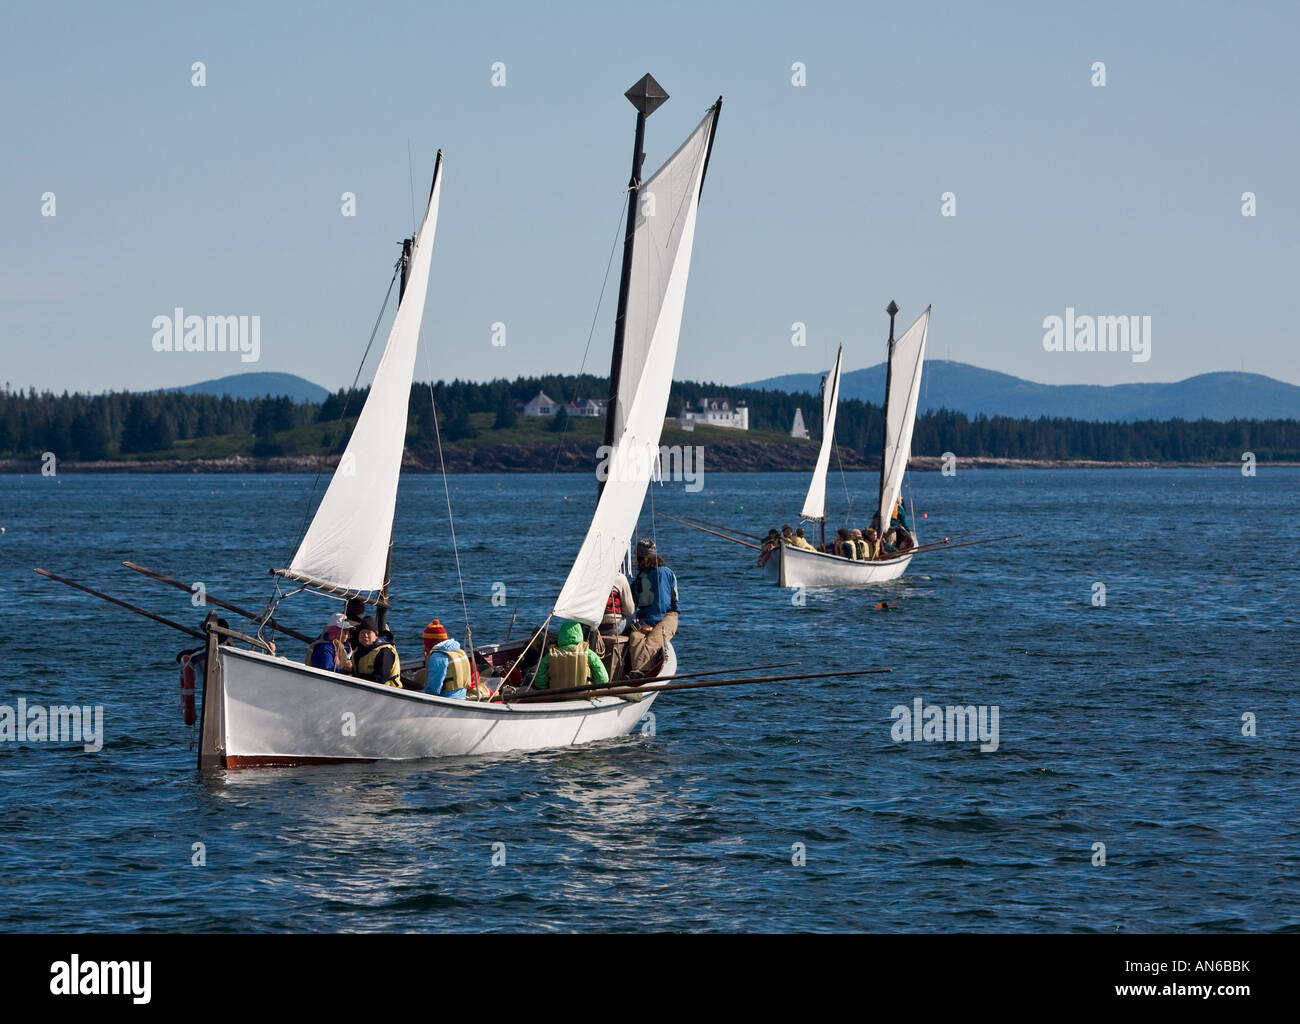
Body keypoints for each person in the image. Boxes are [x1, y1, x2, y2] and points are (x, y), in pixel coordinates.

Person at [627, 538, 678, 678]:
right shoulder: (641, 577)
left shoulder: (660, 573)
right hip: (646, 619)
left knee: (651, 642)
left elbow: (662, 603)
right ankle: (638, 672)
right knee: (635, 636)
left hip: (667, 617)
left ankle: (640, 673)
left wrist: (651, 623)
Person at [533, 620, 610, 691]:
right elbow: (603, 679)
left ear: (561, 635)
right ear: (580, 633)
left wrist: (546, 689)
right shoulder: (589, 654)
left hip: (557, 698)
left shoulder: (550, 655)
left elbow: (540, 682)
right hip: (584, 696)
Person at [418, 619, 478, 699]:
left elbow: (433, 689)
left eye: (426, 644)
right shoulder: (459, 651)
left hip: (446, 699)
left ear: (433, 643)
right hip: (462, 698)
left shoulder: (438, 657)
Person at [352, 616, 401, 688]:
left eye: (369, 633)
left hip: (387, 691)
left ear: (376, 635)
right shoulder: (357, 651)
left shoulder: (384, 651)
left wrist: (354, 677)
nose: (365, 636)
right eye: (362, 633)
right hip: (363, 688)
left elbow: (381, 678)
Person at [601, 571, 635, 638]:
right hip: (613, 627)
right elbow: (629, 610)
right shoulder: (620, 578)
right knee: (633, 617)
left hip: (593, 626)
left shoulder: (590, 577)